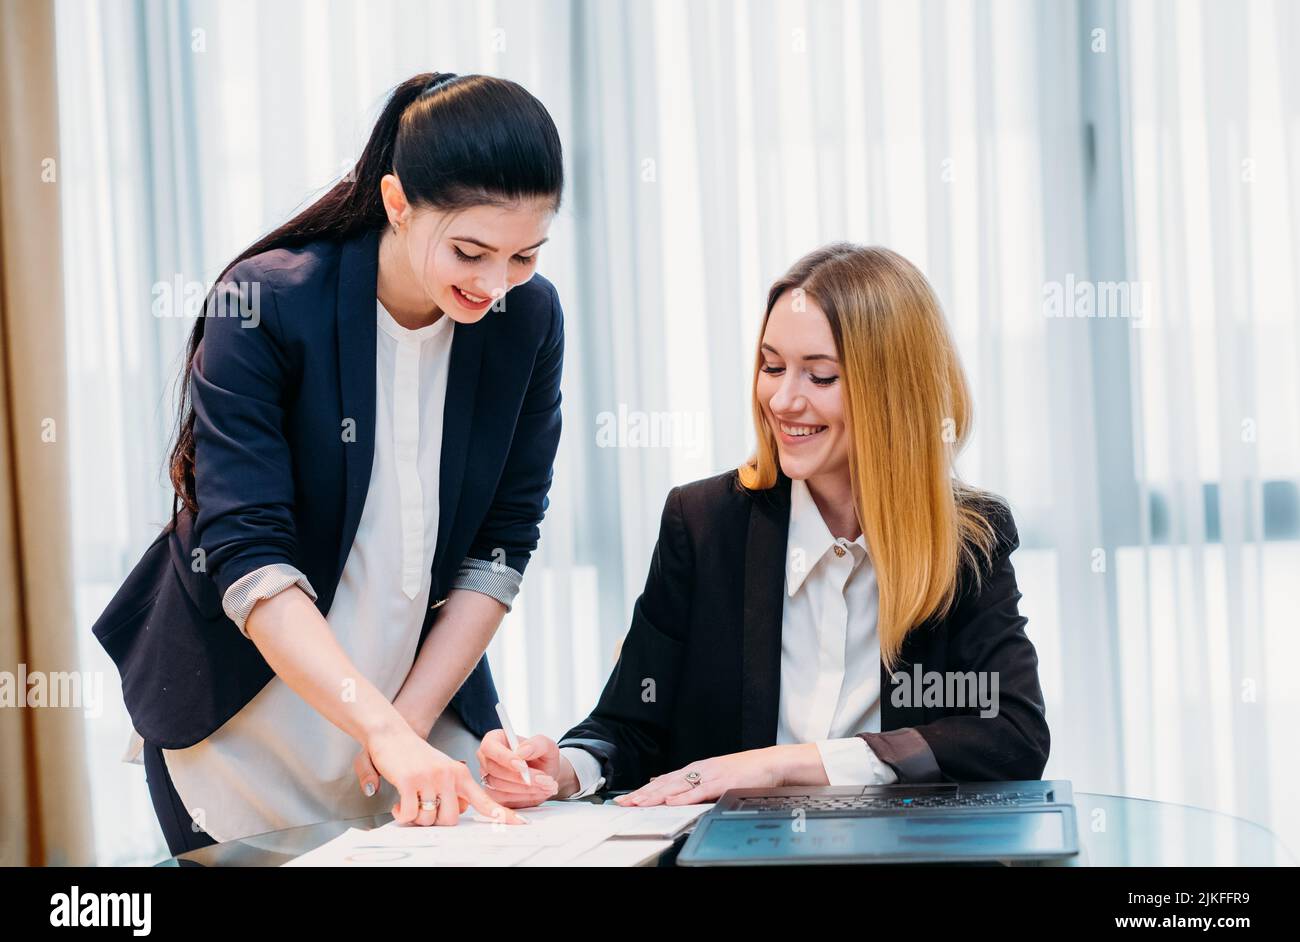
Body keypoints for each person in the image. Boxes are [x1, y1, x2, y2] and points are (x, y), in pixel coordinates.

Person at [94, 71, 565, 853]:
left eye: (524, 256)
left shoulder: (529, 318)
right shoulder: (270, 303)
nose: (495, 285)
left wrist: (405, 728)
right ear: (397, 202)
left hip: (417, 699)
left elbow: (503, 543)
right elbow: (249, 558)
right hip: (249, 716)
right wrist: (378, 727)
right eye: (472, 251)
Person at [474, 243, 1050, 808]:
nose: (782, 399)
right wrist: (567, 768)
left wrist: (779, 765)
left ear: (892, 394)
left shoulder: (968, 539)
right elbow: (630, 723)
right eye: (772, 367)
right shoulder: (702, 525)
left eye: (819, 376)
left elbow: (1012, 735)